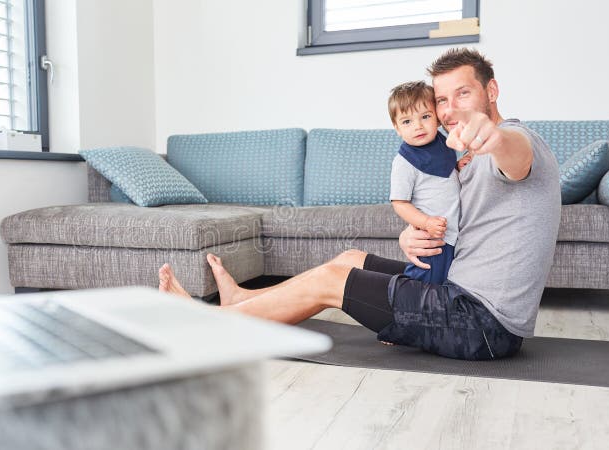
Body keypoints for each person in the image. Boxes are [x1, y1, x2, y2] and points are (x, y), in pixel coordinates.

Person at [158, 48, 561, 361]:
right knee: (349, 259)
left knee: (331, 283)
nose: (450, 109)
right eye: (441, 100)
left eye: (463, 94)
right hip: (453, 287)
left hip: (482, 324)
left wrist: (491, 135)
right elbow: (455, 221)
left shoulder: (517, 142)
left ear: (491, 91)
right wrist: (410, 233)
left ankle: (207, 326)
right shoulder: (462, 160)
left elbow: (515, 155)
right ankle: (241, 301)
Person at [387, 80, 460, 284]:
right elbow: (400, 203)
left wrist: (460, 167)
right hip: (432, 237)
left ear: (437, 118)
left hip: (455, 234)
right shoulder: (404, 162)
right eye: (407, 121)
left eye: (425, 116)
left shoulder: (445, 144)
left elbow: (448, 178)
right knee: (425, 283)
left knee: (450, 283)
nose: (418, 126)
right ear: (397, 128)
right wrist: (426, 222)